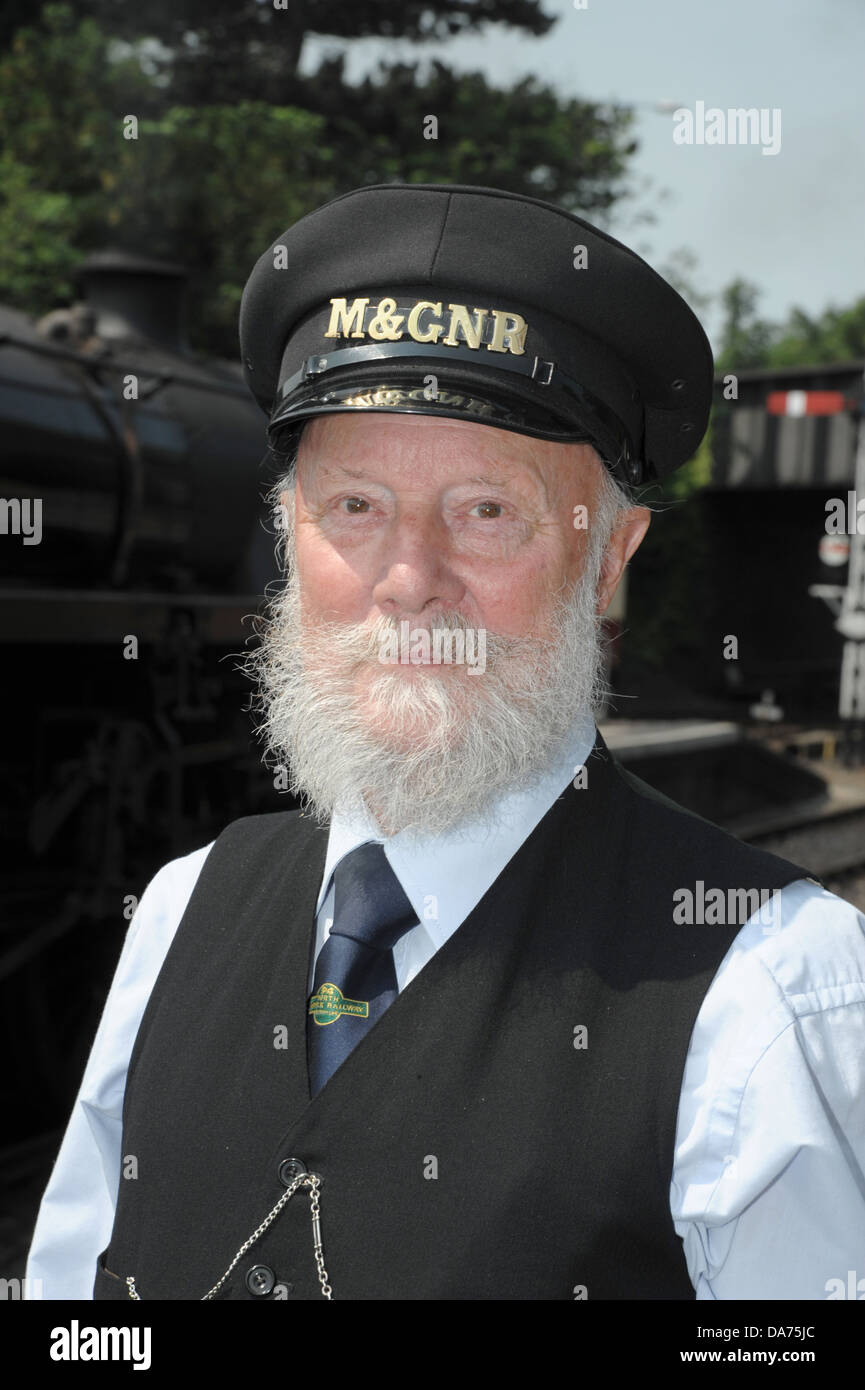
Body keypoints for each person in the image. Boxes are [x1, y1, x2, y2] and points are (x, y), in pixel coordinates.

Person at [27, 184, 865, 1301]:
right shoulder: (182, 910)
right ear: (289, 535)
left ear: (609, 554)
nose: (409, 584)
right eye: (355, 507)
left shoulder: (772, 992)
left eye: (484, 511)